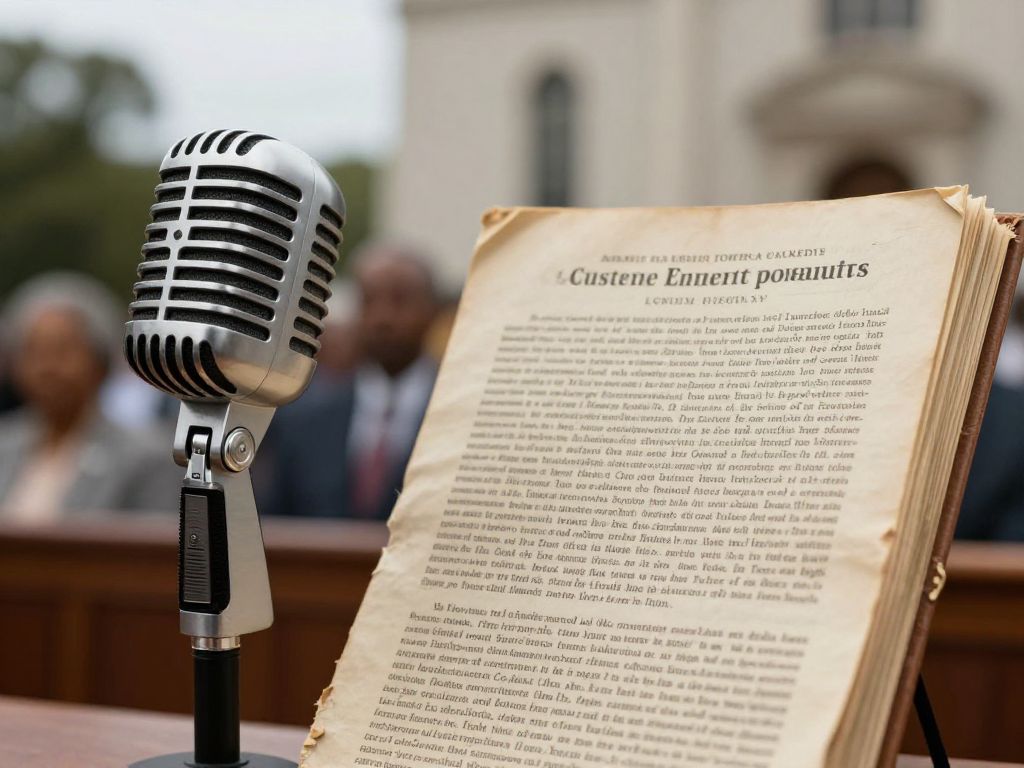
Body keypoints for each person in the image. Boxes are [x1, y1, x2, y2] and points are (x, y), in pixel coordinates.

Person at [256, 243, 439, 520]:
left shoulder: (465, 422)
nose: (383, 318)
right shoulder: (303, 421)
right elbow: (275, 530)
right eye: (369, 301)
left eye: (400, 300)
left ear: (432, 310)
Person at [0, 272, 180, 521]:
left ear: (101, 362)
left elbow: (152, 553)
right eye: (33, 352)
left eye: (63, 351)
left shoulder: (146, 457)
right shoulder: (5, 443)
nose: (47, 367)